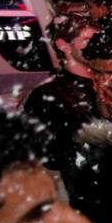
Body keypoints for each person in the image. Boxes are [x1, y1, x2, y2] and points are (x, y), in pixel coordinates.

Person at [20, 14, 100, 170]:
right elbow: (51, 156)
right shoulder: (48, 96)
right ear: (64, 45)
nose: (96, 46)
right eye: (87, 40)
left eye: (98, 39)